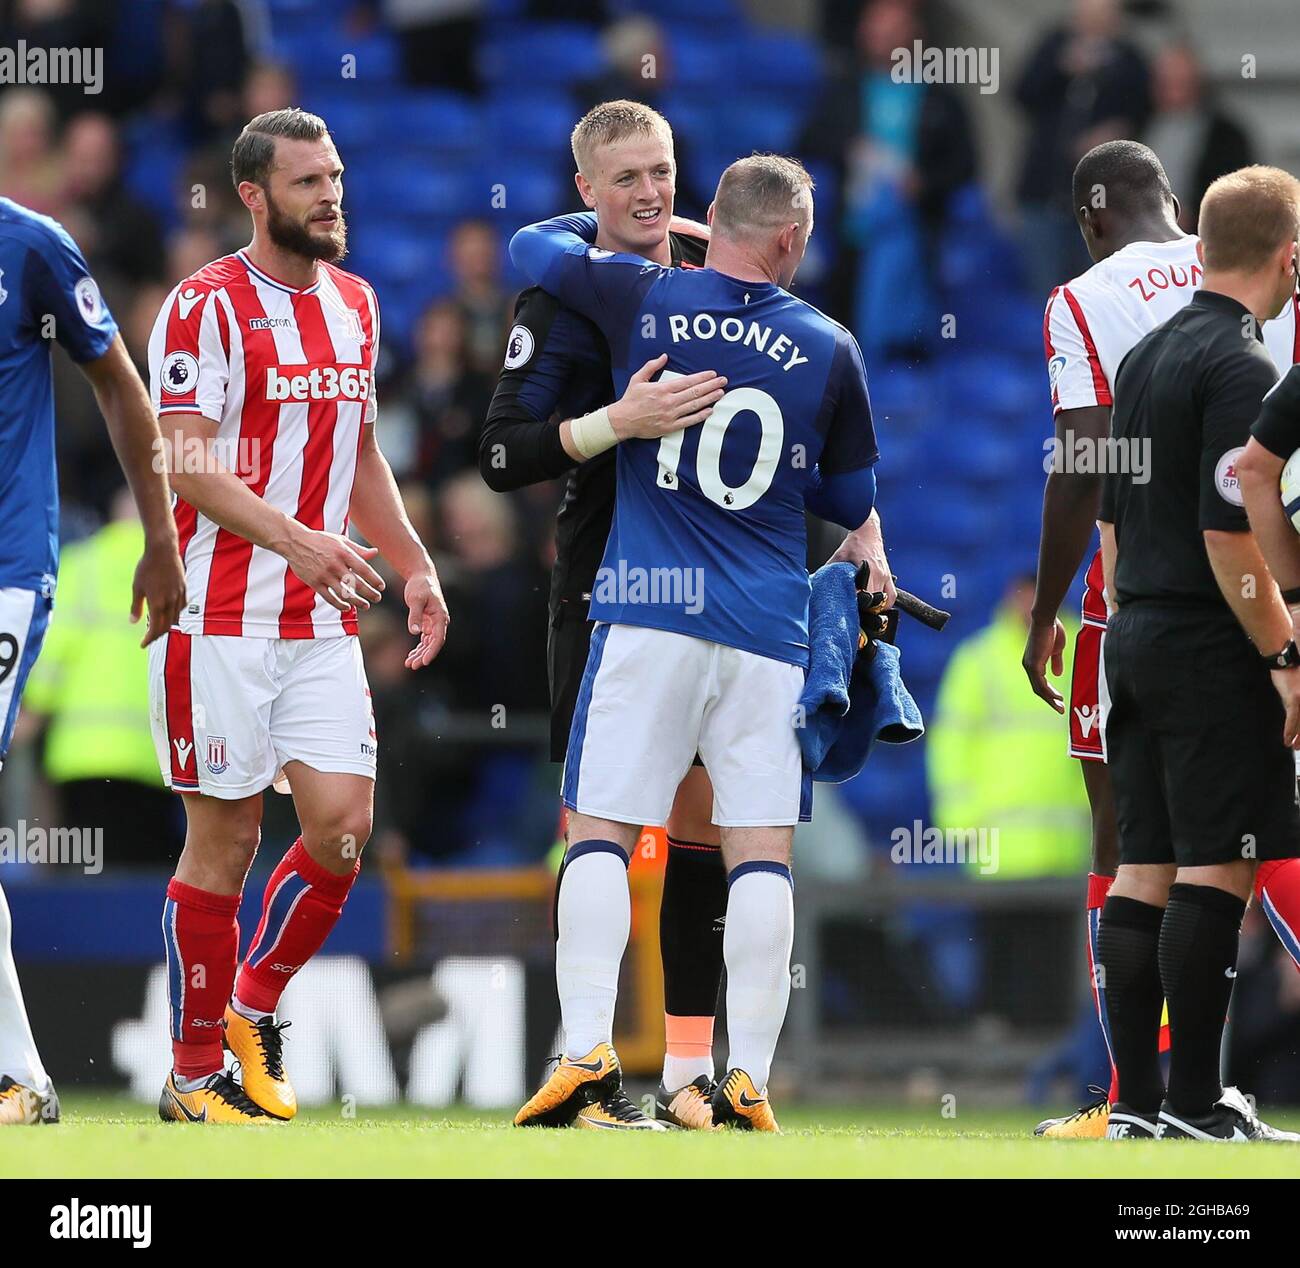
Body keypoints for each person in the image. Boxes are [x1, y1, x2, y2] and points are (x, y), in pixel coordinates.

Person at [481, 101, 893, 1130]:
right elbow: (842, 499)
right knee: (762, 850)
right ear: (793, 239)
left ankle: (589, 1053)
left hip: (646, 608)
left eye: (662, 173)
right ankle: (743, 1074)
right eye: (627, 176)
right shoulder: (831, 343)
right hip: (762, 630)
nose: (649, 193)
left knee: (600, 834)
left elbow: (527, 243)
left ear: (707, 203)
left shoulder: (644, 299)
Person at [147, 108, 450, 1125]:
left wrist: (412, 565)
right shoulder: (204, 308)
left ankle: (250, 1009)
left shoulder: (357, 305)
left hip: (316, 620)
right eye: (309, 182)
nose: (332, 196)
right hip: (219, 616)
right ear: (253, 194)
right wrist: (298, 541)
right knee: (225, 840)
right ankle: (192, 1077)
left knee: (344, 829)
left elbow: (359, 456)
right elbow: (186, 460)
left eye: (336, 176)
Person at [1022, 139, 1299, 1138]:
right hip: (1219, 624)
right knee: (1225, 861)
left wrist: (1076, 608)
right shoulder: (1240, 358)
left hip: (1126, 620)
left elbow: (1092, 490)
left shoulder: (1127, 342)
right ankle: (1192, 1099)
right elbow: (1235, 521)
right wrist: (1280, 646)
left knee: (1138, 861)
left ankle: (1135, 1099)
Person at [0, 196, 186, 1125]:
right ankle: (22, 1077)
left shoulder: (31, 248)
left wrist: (159, 535)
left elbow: (121, 384)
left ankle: (19, 1074)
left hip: (6, 566)